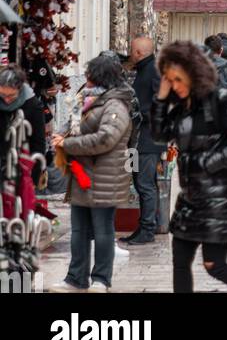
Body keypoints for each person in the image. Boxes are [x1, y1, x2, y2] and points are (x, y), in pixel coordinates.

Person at [152, 39, 227, 294]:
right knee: (180, 260)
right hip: (189, 198)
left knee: (214, 265)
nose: (175, 86)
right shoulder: (181, 106)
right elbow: (159, 134)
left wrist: (207, 164)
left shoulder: (221, 101)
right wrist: (161, 98)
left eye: (178, 80)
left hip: (218, 198)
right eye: (171, 80)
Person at [50, 52, 134, 293]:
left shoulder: (115, 104)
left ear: (101, 78)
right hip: (81, 174)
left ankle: (101, 279)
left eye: (89, 76)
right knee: (79, 231)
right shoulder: (84, 100)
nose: (85, 80)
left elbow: (107, 138)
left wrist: (69, 145)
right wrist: (62, 135)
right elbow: (72, 126)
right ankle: (75, 279)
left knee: (102, 230)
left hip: (105, 177)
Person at [122, 36, 164, 247]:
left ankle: (147, 229)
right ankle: (146, 224)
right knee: (142, 183)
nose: (130, 53)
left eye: (132, 50)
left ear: (139, 52)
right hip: (139, 139)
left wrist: (141, 115)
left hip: (148, 139)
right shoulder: (144, 69)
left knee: (144, 184)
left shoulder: (153, 71)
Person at [0, 63, 47, 182]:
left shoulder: (33, 105)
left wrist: (32, 178)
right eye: (2, 95)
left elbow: (38, 142)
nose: (6, 99)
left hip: (21, 167)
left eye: (11, 95)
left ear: (20, 89)